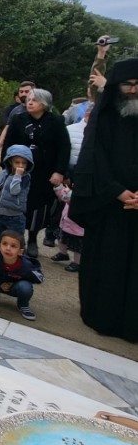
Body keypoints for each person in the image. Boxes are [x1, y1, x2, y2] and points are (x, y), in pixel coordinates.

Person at [69, 57, 138, 342]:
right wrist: (116, 191)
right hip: (109, 206)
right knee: (107, 264)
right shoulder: (104, 116)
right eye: (127, 84)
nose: (133, 91)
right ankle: (102, 315)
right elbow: (93, 158)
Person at [2, 88, 70, 258]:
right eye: (28, 99)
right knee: (16, 202)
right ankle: (17, 239)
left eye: (34, 100)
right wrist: (7, 166)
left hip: (44, 172)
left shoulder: (56, 121)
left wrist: (59, 171)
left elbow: (64, 148)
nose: (29, 102)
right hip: (20, 170)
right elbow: (8, 142)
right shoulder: (19, 119)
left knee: (38, 207)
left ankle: (32, 239)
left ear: (44, 104)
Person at [0, 230, 44, 321]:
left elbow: (40, 278)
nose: (8, 248)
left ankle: (23, 305)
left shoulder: (26, 266)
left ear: (20, 251)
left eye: (13, 246)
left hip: (15, 288)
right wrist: (0, 281)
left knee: (25, 287)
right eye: (4, 244)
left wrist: (13, 282)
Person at [50, 180, 83, 272]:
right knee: (61, 239)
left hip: (77, 227)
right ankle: (63, 253)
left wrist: (66, 191)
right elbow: (62, 197)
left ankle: (77, 262)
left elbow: (68, 199)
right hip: (65, 222)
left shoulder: (82, 195)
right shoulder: (70, 190)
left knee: (78, 247)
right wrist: (59, 187)